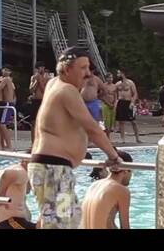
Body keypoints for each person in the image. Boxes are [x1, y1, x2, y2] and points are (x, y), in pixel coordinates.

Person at [29, 47, 123, 229]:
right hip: (54, 171)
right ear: (65, 69)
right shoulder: (67, 91)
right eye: (82, 68)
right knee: (64, 225)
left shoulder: (53, 84)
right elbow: (92, 128)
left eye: (88, 68)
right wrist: (114, 156)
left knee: (59, 223)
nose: (88, 74)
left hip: (48, 168)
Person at [80, 150, 134, 229]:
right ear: (126, 170)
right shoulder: (121, 190)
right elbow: (125, 227)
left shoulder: (93, 186)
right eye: (132, 171)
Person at [0, 157, 34, 229]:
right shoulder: (21, 171)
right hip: (11, 222)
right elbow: (7, 174)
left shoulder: (11, 169)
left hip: (2, 222)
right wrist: (0, 196)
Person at [0, 66, 15, 151]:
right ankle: (3, 145)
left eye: (7, 70)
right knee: (0, 124)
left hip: (7, 104)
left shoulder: (6, 79)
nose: (5, 71)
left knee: (2, 124)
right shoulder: (9, 80)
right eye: (4, 69)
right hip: (7, 103)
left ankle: (9, 146)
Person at [115, 68, 141, 143]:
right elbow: (114, 93)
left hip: (128, 102)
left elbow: (135, 93)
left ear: (122, 73)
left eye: (118, 73)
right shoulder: (117, 84)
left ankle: (137, 138)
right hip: (121, 102)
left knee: (133, 121)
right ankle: (123, 139)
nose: (117, 75)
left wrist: (132, 102)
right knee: (121, 121)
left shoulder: (130, 83)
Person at [28, 63, 50, 135]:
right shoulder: (34, 77)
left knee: (43, 121)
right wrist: (36, 81)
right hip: (35, 101)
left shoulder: (47, 78)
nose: (41, 69)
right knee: (33, 122)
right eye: (39, 68)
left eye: (42, 67)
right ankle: (33, 142)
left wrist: (40, 81)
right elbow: (31, 90)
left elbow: (44, 90)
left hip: (43, 100)